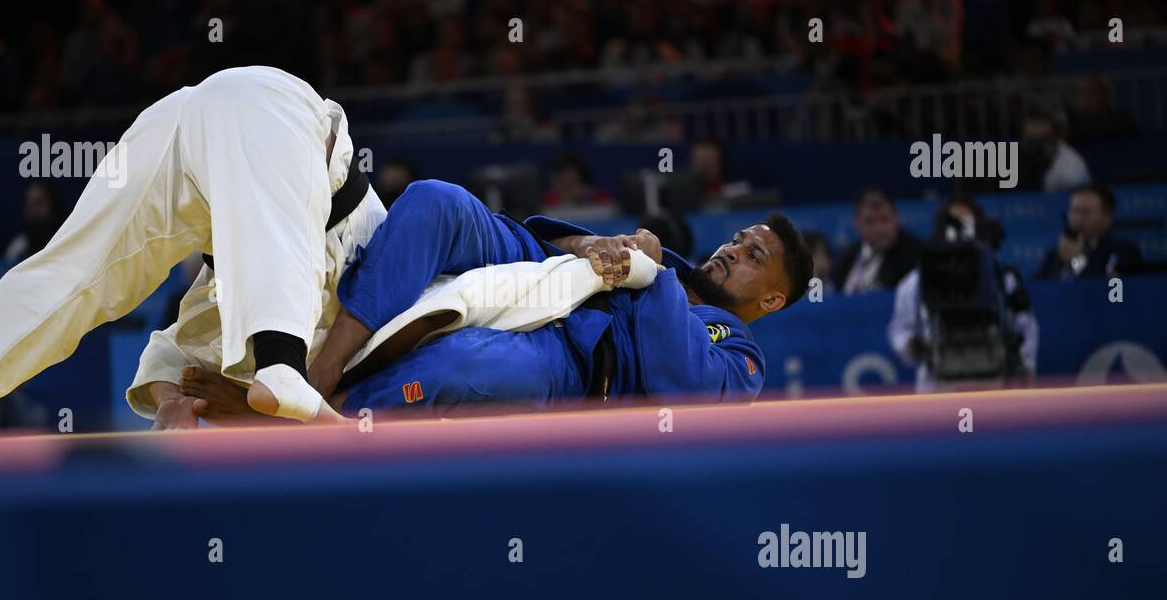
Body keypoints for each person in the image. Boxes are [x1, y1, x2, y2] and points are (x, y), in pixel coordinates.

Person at [0, 66, 385, 439]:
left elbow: (165, 355)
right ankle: (282, 368)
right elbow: (436, 226)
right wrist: (328, 415)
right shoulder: (378, 279)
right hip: (278, 117)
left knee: (76, 266)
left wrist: (171, 402)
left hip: (179, 116)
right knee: (278, 235)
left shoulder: (232, 293)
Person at [164, 180, 814, 420]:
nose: (732, 250)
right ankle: (319, 378)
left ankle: (310, 419)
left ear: (776, 299)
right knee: (437, 202)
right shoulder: (669, 263)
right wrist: (591, 245)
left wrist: (651, 278)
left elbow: (688, 387)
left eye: (754, 255)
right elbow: (546, 233)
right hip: (543, 265)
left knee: (471, 367)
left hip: (573, 357)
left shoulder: (742, 358)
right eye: (737, 238)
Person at [888, 196, 1038, 392]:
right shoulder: (915, 282)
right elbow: (900, 330)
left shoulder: (1001, 277)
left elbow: (1025, 326)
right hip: (936, 383)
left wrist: (1027, 367)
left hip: (995, 379)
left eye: (967, 224)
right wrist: (909, 346)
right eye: (953, 224)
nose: (960, 232)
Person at [1036, 183, 1142, 281]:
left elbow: (1107, 291)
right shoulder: (1054, 255)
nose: (1078, 218)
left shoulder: (1124, 252)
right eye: (1074, 211)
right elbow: (1038, 289)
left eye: (1085, 212)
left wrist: (1076, 261)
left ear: (1107, 217)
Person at [833, 187, 924, 294]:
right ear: (857, 223)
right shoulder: (846, 259)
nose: (879, 229)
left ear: (896, 218)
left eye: (884, 219)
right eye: (870, 221)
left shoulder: (916, 256)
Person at [1019, 109, 1091, 193]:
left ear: (1057, 139)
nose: (1036, 148)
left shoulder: (1073, 171)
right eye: (1031, 142)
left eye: (1044, 141)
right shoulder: (1011, 159)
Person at [5, 180, 65, 262]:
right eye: (30, 204)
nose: (34, 210)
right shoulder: (18, 248)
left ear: (53, 204)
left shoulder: (66, 239)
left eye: (39, 203)